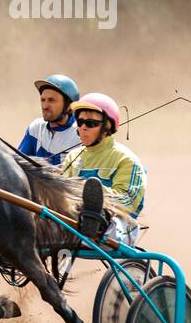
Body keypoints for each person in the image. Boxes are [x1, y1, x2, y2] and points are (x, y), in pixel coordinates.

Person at [61, 92, 146, 246]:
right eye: (80, 122)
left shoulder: (126, 159)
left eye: (91, 123)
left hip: (118, 229)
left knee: (102, 217)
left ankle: (93, 221)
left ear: (107, 126)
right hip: (74, 223)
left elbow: (130, 201)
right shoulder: (72, 158)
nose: (83, 127)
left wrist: (93, 197)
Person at [17, 74, 80, 164]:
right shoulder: (35, 128)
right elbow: (20, 165)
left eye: (52, 100)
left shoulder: (81, 135)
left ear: (69, 106)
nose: (45, 106)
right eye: (43, 100)